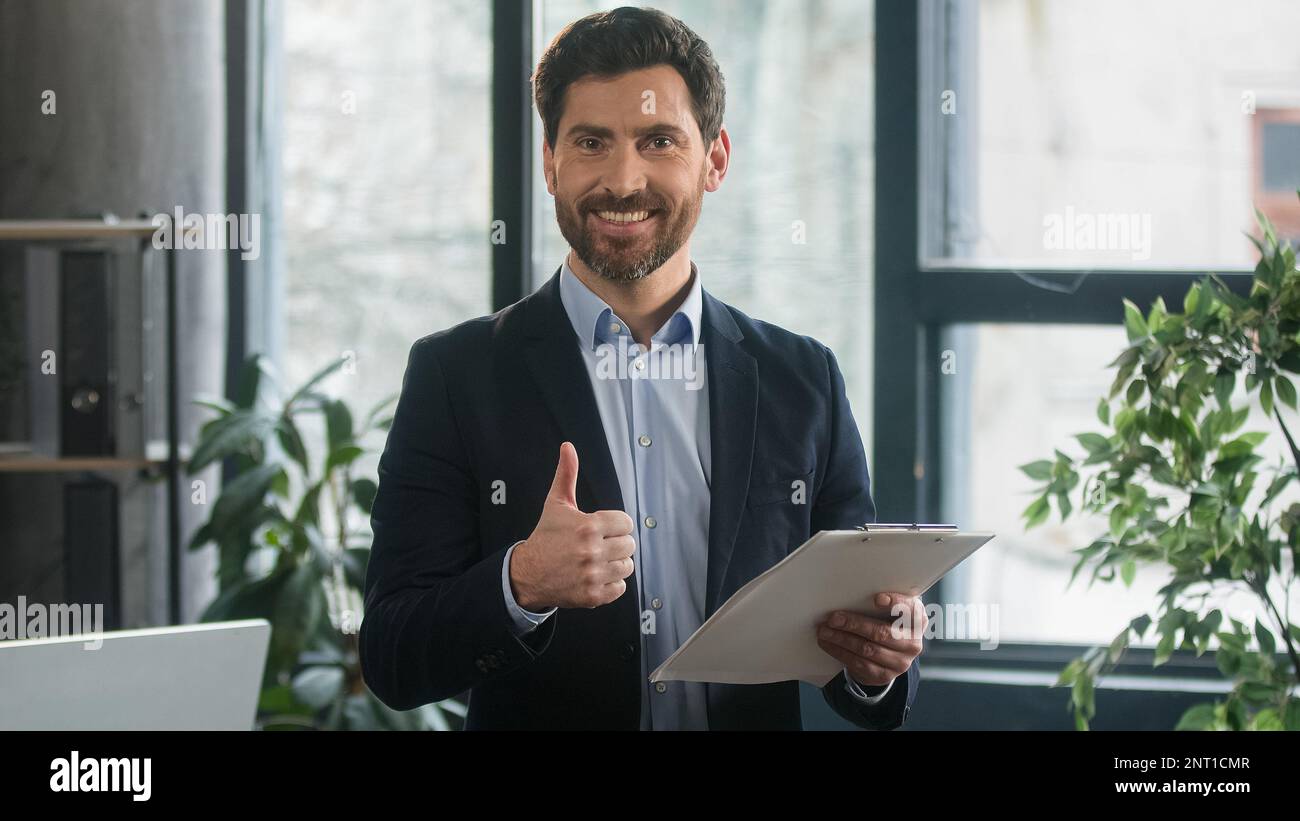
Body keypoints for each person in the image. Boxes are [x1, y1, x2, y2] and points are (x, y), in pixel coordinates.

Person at [361, 6, 922, 730]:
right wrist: (522, 581)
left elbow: (863, 659)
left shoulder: (803, 379)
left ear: (715, 159)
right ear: (549, 161)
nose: (623, 182)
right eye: (591, 142)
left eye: (658, 141)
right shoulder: (454, 375)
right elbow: (393, 656)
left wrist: (880, 655)